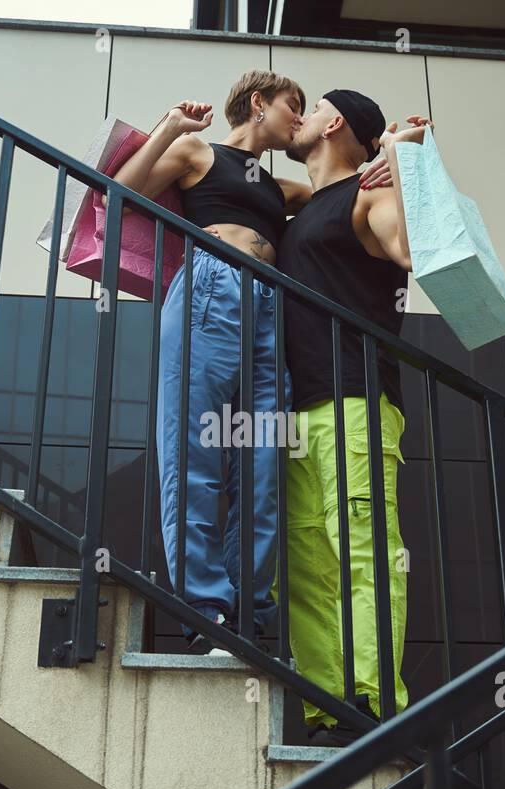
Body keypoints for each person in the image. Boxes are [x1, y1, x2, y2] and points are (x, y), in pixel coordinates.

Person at [112, 71, 390, 654]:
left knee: (264, 465)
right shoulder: (198, 152)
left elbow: (345, 188)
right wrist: (171, 125)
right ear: (258, 104)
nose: (299, 117)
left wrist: (394, 153)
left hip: (269, 307)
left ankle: (247, 610)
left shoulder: (280, 186)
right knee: (194, 454)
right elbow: (122, 188)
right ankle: (205, 607)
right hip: (210, 290)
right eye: (293, 105)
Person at [276, 89, 431, 743]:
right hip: (297, 409)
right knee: (309, 567)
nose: (300, 117)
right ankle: (326, 708)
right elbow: (230, 175)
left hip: (356, 402)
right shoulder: (306, 204)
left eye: (309, 109)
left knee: (363, 556)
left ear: (334, 121)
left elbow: (411, 254)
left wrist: (401, 160)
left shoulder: (370, 193)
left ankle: (371, 704)